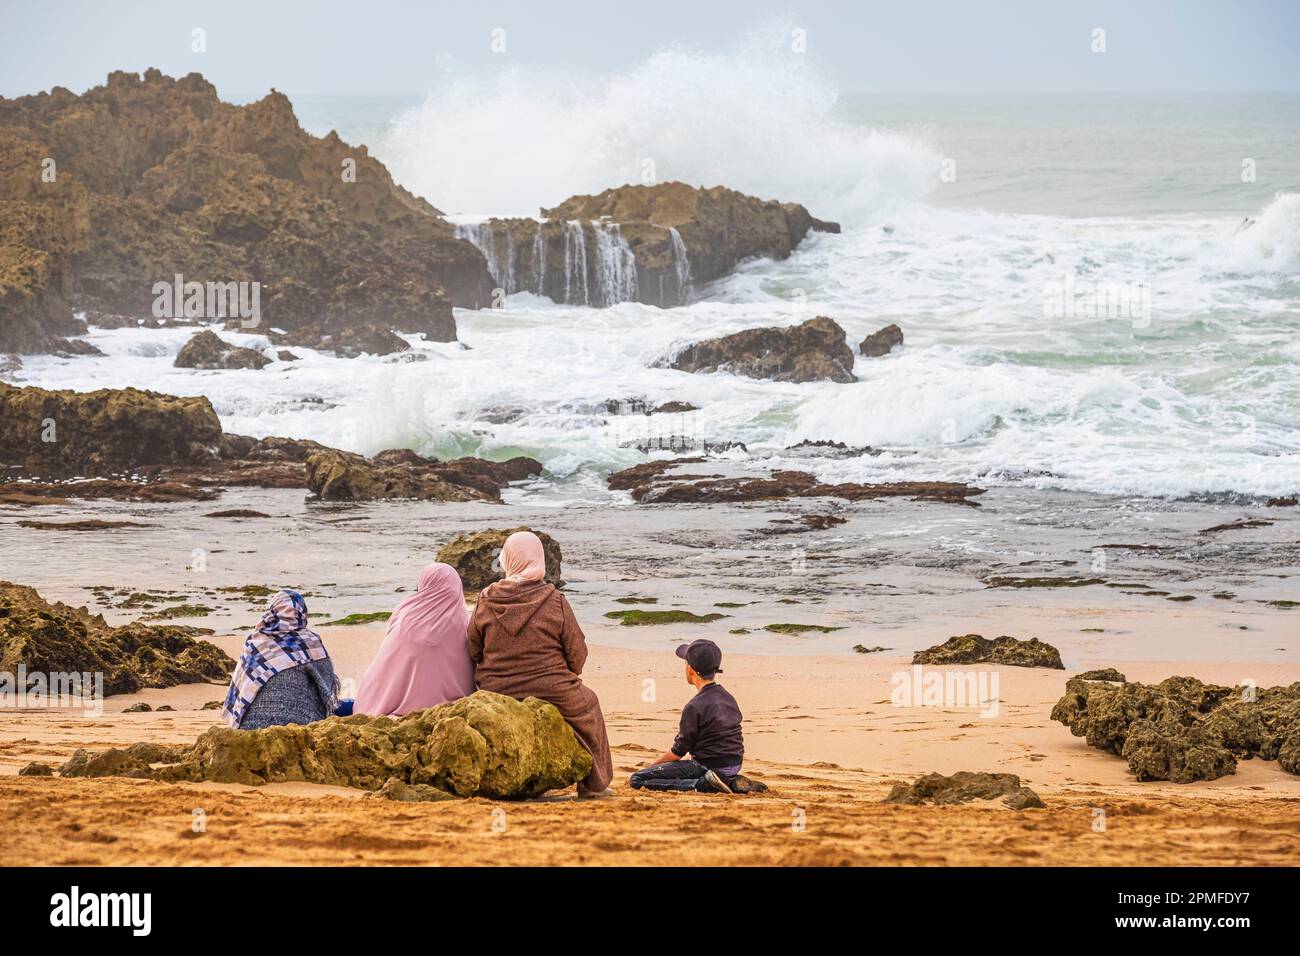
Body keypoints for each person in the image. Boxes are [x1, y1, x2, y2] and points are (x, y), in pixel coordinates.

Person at [467, 530, 614, 796]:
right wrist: (570, 675)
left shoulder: (486, 599)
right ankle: (593, 786)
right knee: (588, 705)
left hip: (497, 688)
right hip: (552, 687)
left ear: (507, 559)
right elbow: (576, 651)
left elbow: (473, 647)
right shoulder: (554, 599)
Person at [355, 562, 476, 717]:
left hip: (387, 704)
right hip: (453, 710)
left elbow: (386, 660)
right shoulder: (463, 621)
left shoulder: (404, 614)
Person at [629, 639, 743, 795]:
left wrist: (651, 767)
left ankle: (703, 785)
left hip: (708, 766)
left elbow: (678, 751)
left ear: (690, 670)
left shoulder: (694, 706)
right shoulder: (728, 698)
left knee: (637, 779)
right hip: (735, 763)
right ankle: (730, 781)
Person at [221, 589, 339, 730]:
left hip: (251, 728)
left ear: (273, 609)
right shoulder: (311, 642)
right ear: (302, 612)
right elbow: (327, 686)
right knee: (350, 705)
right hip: (302, 726)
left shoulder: (255, 642)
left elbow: (242, 688)